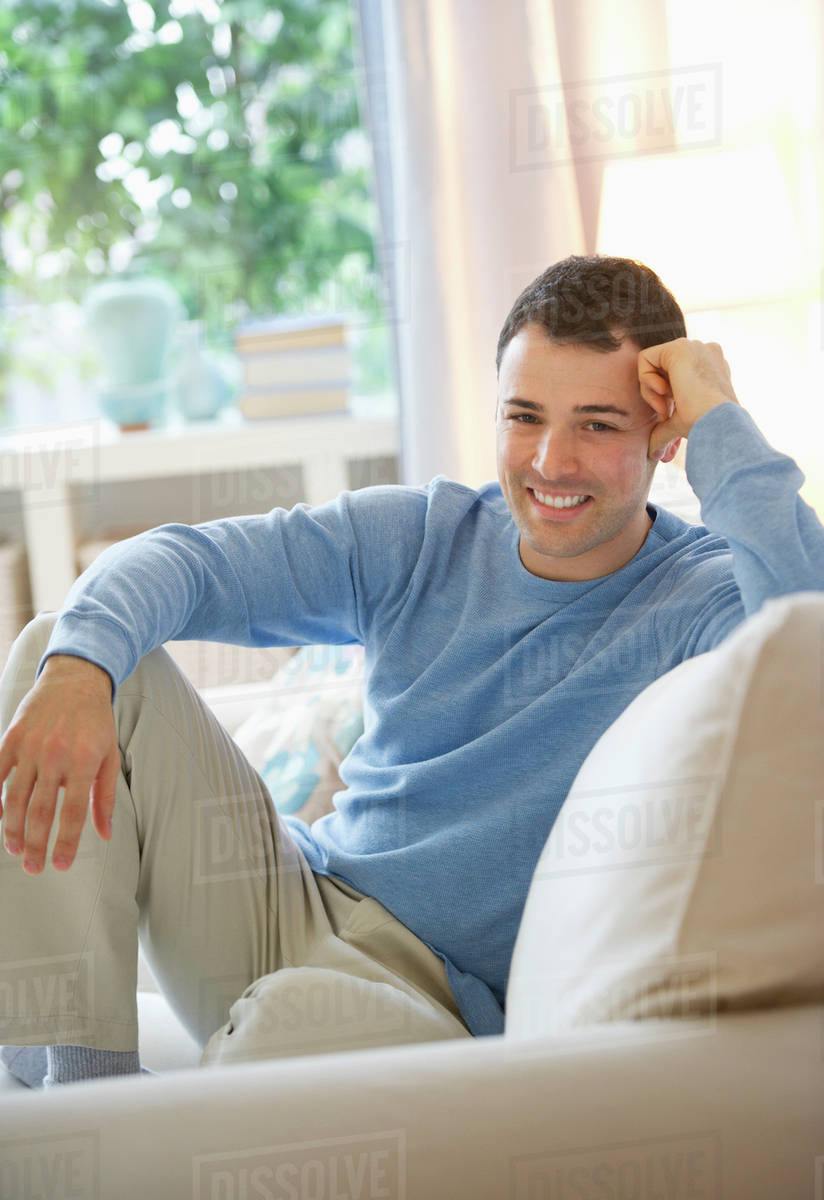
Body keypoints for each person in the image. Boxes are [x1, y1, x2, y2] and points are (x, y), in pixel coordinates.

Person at [1, 254, 823, 1089]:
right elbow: (187, 562)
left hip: (433, 1004)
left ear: (663, 433)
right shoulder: (423, 535)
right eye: (525, 415)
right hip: (288, 900)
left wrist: (717, 412)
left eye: (598, 425)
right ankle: (80, 1101)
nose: (550, 461)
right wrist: (81, 670)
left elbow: (809, 641)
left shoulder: (705, 594)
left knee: (281, 1036)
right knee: (61, 651)